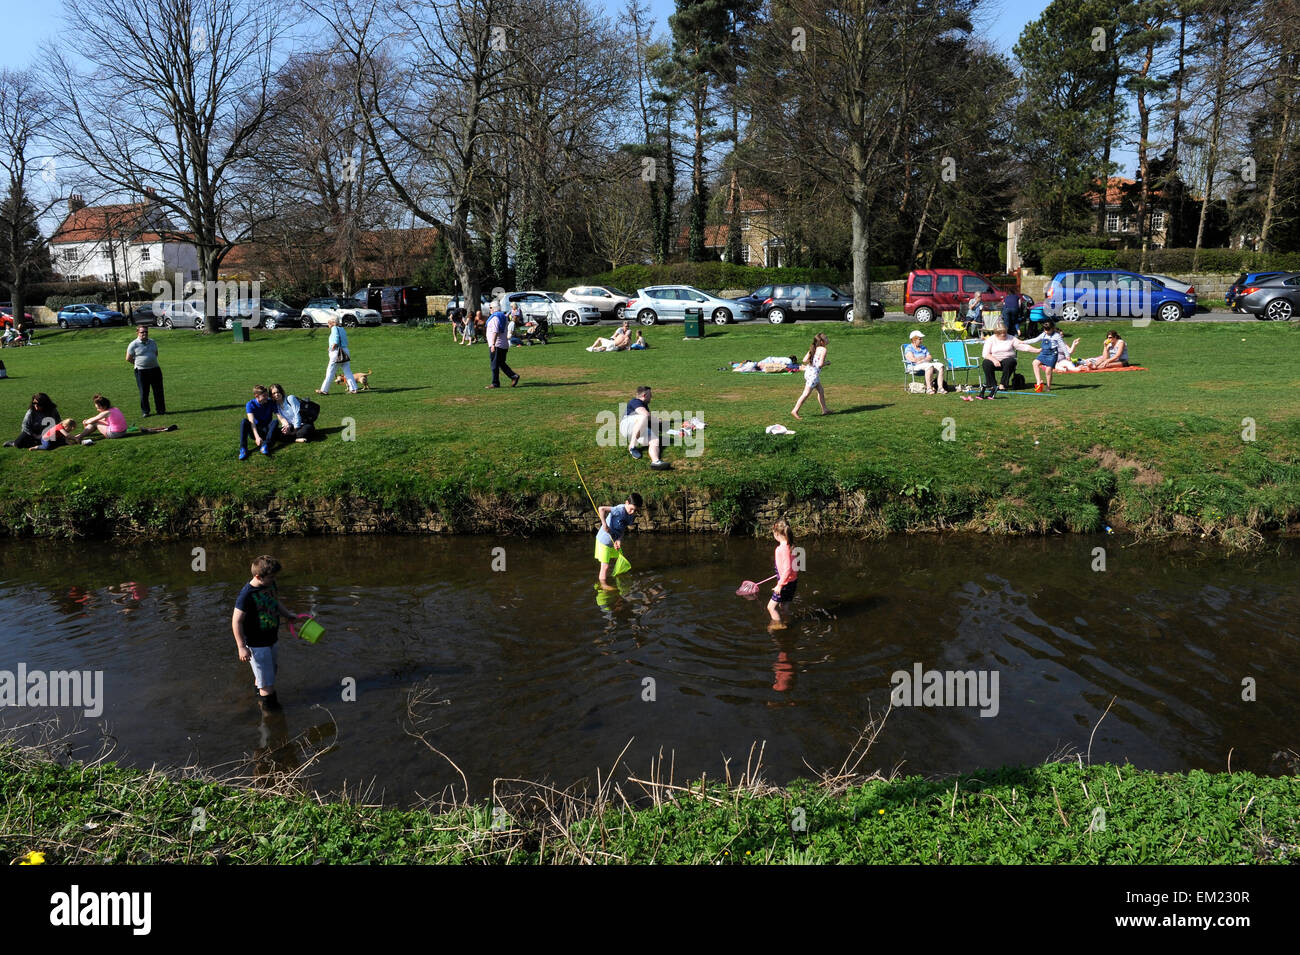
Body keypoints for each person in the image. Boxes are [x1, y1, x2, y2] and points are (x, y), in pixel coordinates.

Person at [231, 554, 301, 713]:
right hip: (256, 644)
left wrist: (287, 614)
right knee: (268, 682)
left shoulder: (270, 585)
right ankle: (271, 713)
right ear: (258, 576)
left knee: (271, 671)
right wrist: (241, 646)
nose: (274, 579)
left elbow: (275, 602)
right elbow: (236, 621)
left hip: (271, 639)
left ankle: (258, 693)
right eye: (271, 577)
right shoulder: (246, 595)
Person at [971, 326, 1038, 400]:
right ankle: (993, 385)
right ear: (996, 334)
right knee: (986, 363)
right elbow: (985, 354)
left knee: (1010, 361)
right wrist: (994, 360)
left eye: (1005, 332)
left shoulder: (1011, 338)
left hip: (1007, 360)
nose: (1003, 334)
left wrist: (1037, 350)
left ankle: (1002, 385)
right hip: (994, 360)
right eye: (1001, 333)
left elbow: (1023, 347)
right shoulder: (990, 340)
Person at [595, 492, 643, 588]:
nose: (633, 512)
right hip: (604, 541)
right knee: (605, 566)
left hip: (613, 541)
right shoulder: (619, 510)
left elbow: (623, 528)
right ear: (626, 503)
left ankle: (619, 579)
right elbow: (601, 509)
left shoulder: (630, 515)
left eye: (635, 510)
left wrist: (619, 540)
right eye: (631, 509)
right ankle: (603, 585)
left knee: (619, 560)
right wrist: (604, 525)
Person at [621, 385, 669, 469]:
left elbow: (648, 422)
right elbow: (645, 415)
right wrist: (656, 420)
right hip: (626, 426)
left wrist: (660, 425)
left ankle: (655, 462)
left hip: (637, 431)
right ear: (644, 395)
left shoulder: (644, 406)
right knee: (644, 416)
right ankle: (632, 446)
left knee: (655, 440)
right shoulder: (635, 401)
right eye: (650, 395)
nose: (651, 397)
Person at [1022, 321, 1080, 390]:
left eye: (1048, 330)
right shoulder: (1043, 334)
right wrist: (1023, 342)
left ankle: (1048, 387)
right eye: (1045, 330)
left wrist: (1067, 355)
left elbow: (1063, 346)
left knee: (1048, 371)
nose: (1046, 331)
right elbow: (1035, 340)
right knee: (1035, 363)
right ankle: (1039, 381)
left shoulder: (1057, 336)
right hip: (1044, 353)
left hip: (1052, 354)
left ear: (1052, 328)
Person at [126, 325, 166, 417]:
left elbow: (155, 354)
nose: (144, 334)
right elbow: (128, 358)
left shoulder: (152, 342)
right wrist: (139, 364)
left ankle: (161, 410)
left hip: (155, 369)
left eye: (146, 332)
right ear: (137, 333)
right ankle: (145, 411)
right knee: (144, 392)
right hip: (141, 371)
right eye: (142, 332)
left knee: (158, 391)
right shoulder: (133, 344)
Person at [767, 518, 798, 629]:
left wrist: (780, 584)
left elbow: (788, 568)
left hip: (784, 584)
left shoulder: (781, 549)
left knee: (771, 607)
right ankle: (787, 621)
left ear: (776, 534)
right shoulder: (792, 546)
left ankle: (778, 624)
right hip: (792, 582)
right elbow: (795, 567)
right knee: (784, 606)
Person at [792, 332, 829, 419]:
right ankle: (795, 410)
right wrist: (827, 363)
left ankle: (825, 410)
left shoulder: (814, 348)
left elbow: (804, 360)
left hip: (808, 372)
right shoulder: (823, 350)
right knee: (805, 394)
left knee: (821, 391)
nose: (828, 339)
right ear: (822, 341)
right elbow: (820, 365)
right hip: (813, 375)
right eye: (826, 338)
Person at [316, 317, 357, 395]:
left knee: (330, 372)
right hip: (345, 351)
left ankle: (324, 390)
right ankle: (354, 389)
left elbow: (336, 340)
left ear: (332, 323)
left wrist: (331, 348)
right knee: (348, 371)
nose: (328, 324)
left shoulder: (334, 328)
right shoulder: (342, 329)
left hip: (337, 353)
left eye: (328, 322)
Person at [484, 305, 520, 389]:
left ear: (494, 308)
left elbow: (495, 332)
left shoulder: (495, 318)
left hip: (497, 344)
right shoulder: (503, 317)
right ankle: (513, 376)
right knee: (501, 363)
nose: (490, 309)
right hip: (503, 344)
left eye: (490, 307)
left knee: (494, 364)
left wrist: (492, 344)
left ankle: (495, 383)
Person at [239, 385, 277, 459]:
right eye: (264, 395)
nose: (267, 397)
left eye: (267, 395)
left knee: (275, 421)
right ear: (256, 396)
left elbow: (278, 415)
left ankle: (265, 445)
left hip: (267, 431)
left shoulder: (270, 402)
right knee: (244, 421)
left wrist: (285, 423)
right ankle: (243, 449)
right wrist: (257, 437)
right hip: (256, 431)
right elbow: (252, 421)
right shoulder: (250, 404)